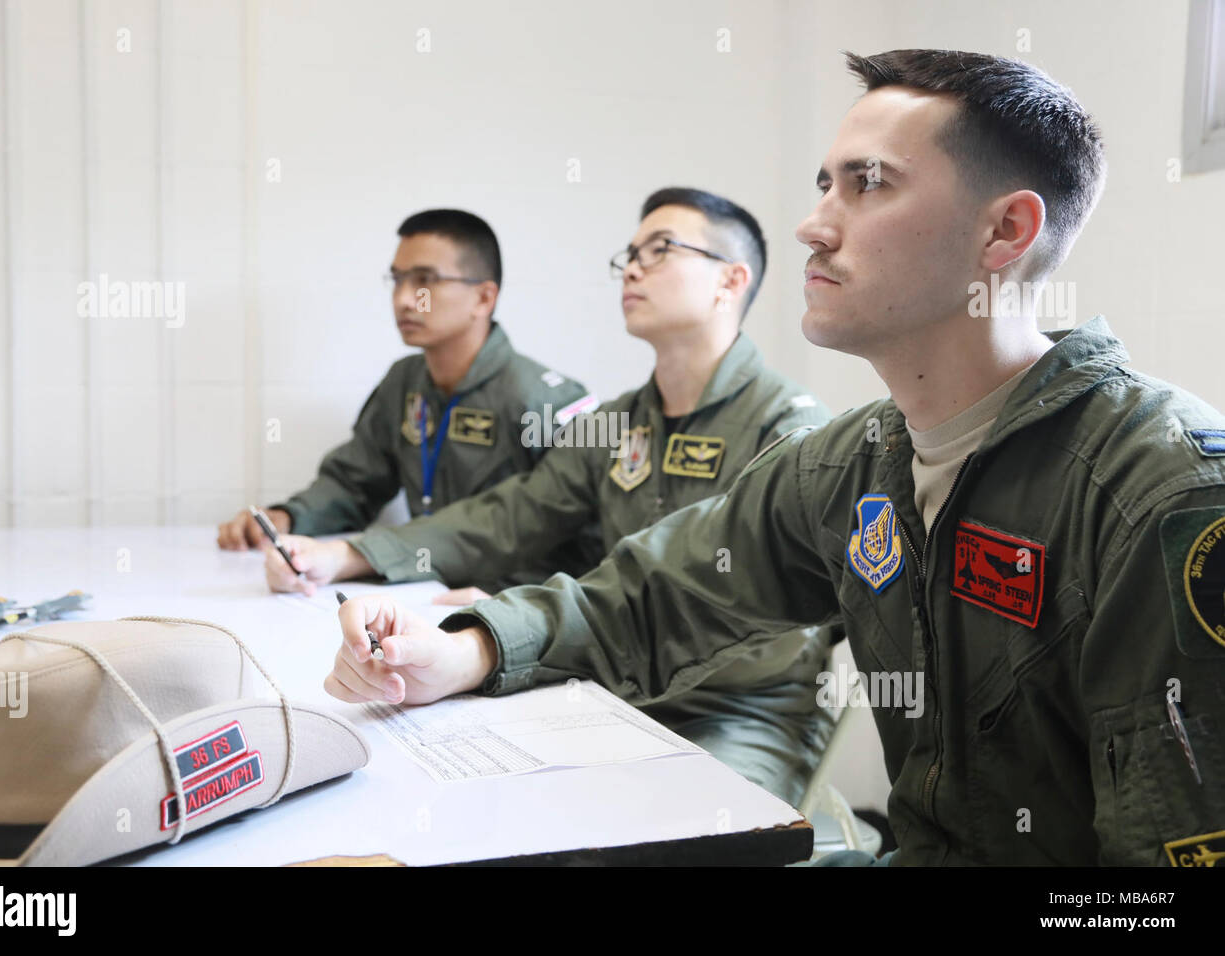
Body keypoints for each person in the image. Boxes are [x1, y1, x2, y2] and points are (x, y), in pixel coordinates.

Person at [321, 50, 1225, 865]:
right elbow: (654, 593)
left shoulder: (1163, 492)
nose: (812, 226)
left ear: (1004, 233)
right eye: (823, 184)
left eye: (867, 186)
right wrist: (465, 649)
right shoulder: (853, 463)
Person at [266, 188, 838, 806]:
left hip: (737, 708)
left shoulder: (790, 426)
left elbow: (766, 617)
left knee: (697, 834)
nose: (635, 266)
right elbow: (512, 513)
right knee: (464, 798)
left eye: (661, 249)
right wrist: (351, 552)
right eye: (631, 253)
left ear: (731, 280)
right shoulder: (617, 421)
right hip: (613, 684)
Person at [216, 209, 595, 586]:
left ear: (483, 297)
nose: (404, 299)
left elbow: (586, 542)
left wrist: (511, 601)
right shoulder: (405, 382)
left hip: (515, 608)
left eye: (425, 281)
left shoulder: (546, 400)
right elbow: (355, 481)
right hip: (424, 590)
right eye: (397, 280)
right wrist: (290, 518)